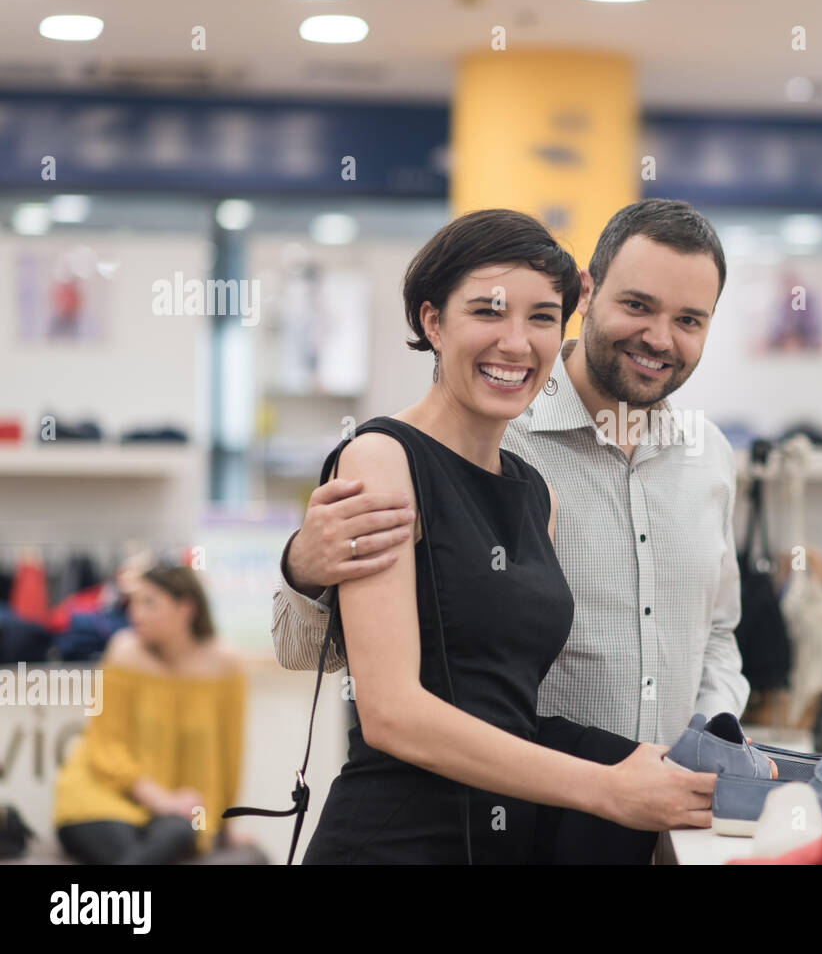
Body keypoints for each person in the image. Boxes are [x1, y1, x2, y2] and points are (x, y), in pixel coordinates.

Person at [275, 199, 752, 862]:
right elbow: (341, 671)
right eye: (638, 305)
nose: (660, 337)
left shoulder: (572, 483)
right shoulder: (433, 446)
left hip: (621, 827)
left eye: (689, 320)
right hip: (485, 825)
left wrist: (707, 747)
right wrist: (304, 563)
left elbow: (720, 631)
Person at [53, 562, 248, 864]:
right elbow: (106, 747)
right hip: (100, 798)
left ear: (185, 607)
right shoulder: (123, 652)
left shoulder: (225, 665)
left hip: (175, 815)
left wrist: (225, 823)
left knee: (178, 834)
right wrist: (163, 800)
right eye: (133, 602)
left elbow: (230, 755)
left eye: (150, 603)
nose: (136, 613)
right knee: (148, 846)